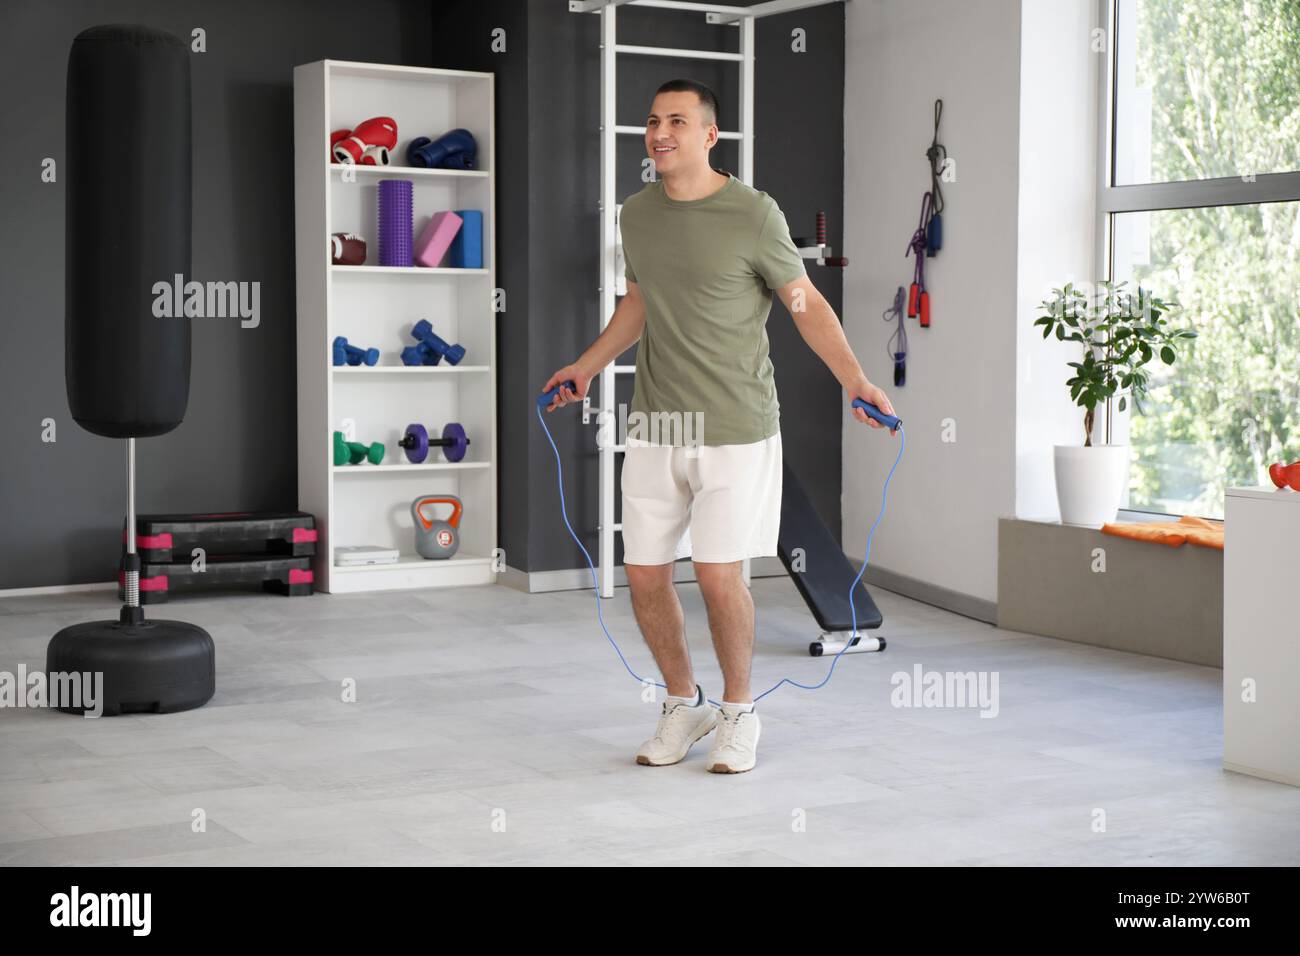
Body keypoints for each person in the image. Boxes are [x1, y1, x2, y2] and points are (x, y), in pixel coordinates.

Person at [543, 78, 895, 774]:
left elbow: (805, 306)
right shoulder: (636, 215)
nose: (660, 131)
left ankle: (739, 713)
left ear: (710, 135)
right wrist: (584, 366)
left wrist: (855, 378)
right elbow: (637, 304)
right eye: (651, 121)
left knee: (715, 574)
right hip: (657, 423)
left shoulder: (754, 214)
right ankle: (683, 704)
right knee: (644, 577)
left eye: (677, 120)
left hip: (736, 427)